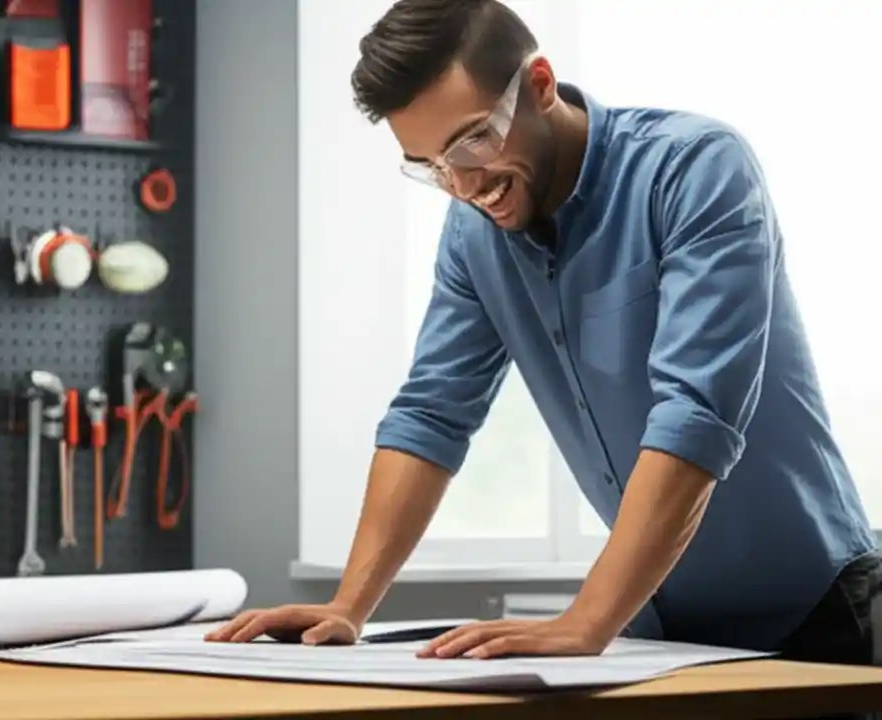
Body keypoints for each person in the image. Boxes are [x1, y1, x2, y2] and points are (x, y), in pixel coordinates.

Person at [206, 0, 882, 669]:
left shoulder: (695, 170)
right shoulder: (473, 234)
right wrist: (348, 607)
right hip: (665, 633)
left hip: (820, 615)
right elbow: (432, 412)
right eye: (432, 164)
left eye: (474, 139)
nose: (463, 183)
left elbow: (696, 414)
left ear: (539, 85)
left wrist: (588, 619)